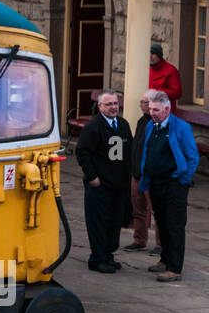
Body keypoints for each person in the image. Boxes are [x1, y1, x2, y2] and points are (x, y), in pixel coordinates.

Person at [137, 90, 199, 282]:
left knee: (175, 225)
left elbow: (192, 157)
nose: (152, 112)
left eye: (156, 109)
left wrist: (182, 178)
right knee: (161, 223)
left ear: (167, 109)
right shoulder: (151, 126)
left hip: (174, 184)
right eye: (150, 109)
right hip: (155, 183)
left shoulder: (181, 127)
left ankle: (174, 268)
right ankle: (164, 259)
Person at [75, 89, 132, 273]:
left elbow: (128, 151)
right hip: (100, 186)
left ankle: (108, 254)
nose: (114, 107)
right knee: (98, 223)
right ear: (100, 106)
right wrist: (92, 177)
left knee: (114, 223)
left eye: (116, 103)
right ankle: (97, 258)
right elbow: (82, 153)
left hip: (119, 185)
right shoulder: (93, 127)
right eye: (109, 104)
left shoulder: (122, 124)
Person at [124, 90, 154, 251]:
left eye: (145, 102)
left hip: (150, 176)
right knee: (138, 210)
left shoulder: (158, 123)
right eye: (142, 102)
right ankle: (139, 239)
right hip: (136, 174)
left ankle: (161, 244)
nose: (142, 105)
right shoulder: (142, 121)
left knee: (156, 212)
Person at [149, 43, 182, 111]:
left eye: (153, 53)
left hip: (165, 113)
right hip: (149, 112)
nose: (150, 56)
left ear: (159, 56)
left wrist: (158, 93)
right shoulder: (146, 69)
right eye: (148, 53)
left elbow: (177, 92)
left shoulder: (171, 70)